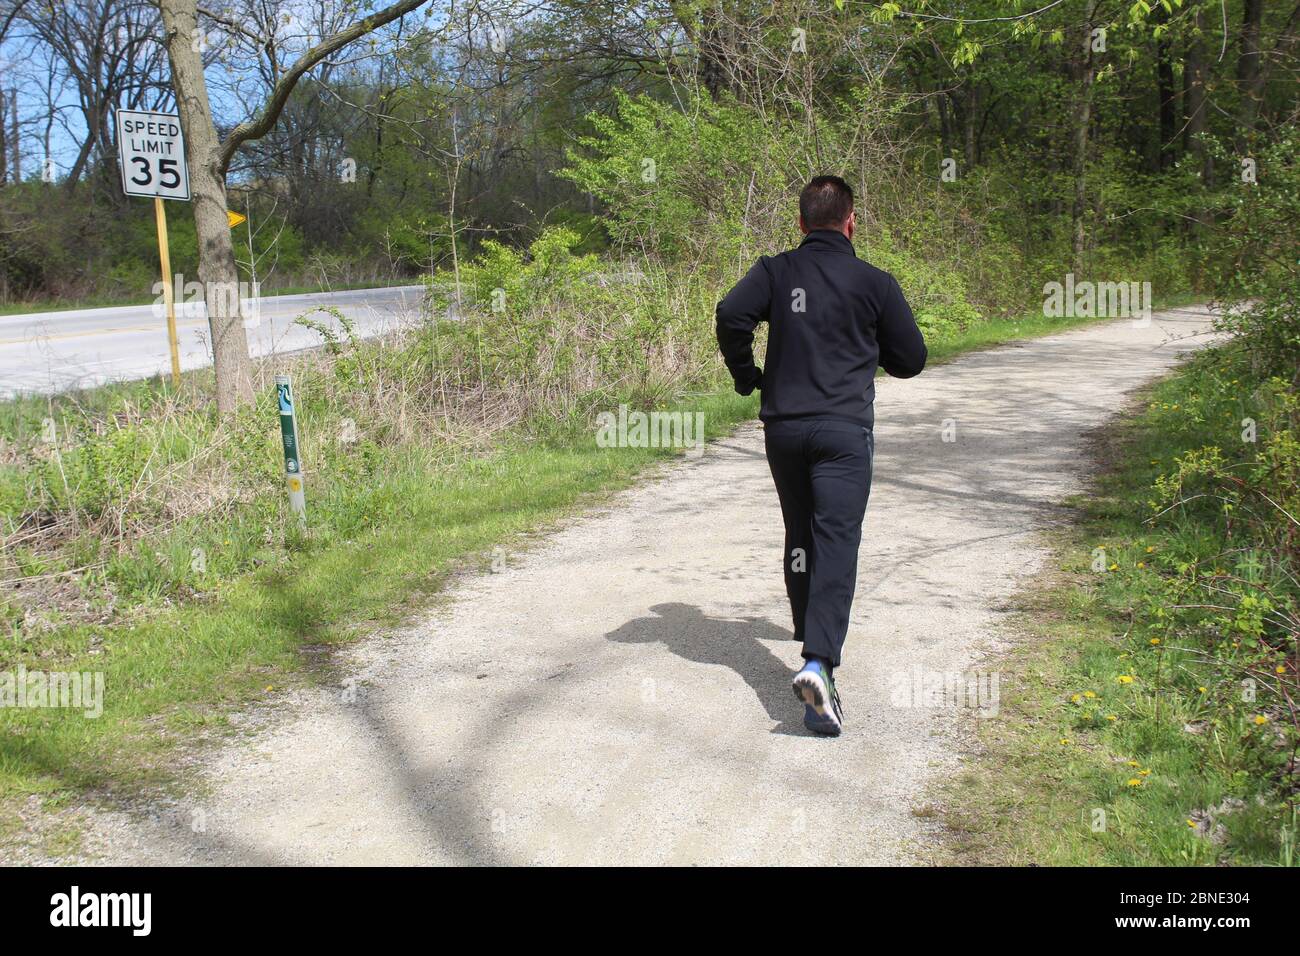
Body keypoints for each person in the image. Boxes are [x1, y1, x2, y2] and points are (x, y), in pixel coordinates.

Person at [715, 175, 927, 736]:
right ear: (851, 222)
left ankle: (808, 630)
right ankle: (818, 662)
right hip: (843, 431)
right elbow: (911, 359)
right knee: (837, 538)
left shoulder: (775, 272)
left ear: (802, 223)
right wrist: (866, 343)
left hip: (784, 428)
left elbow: (730, 315)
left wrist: (748, 378)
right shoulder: (875, 283)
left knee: (800, 533)